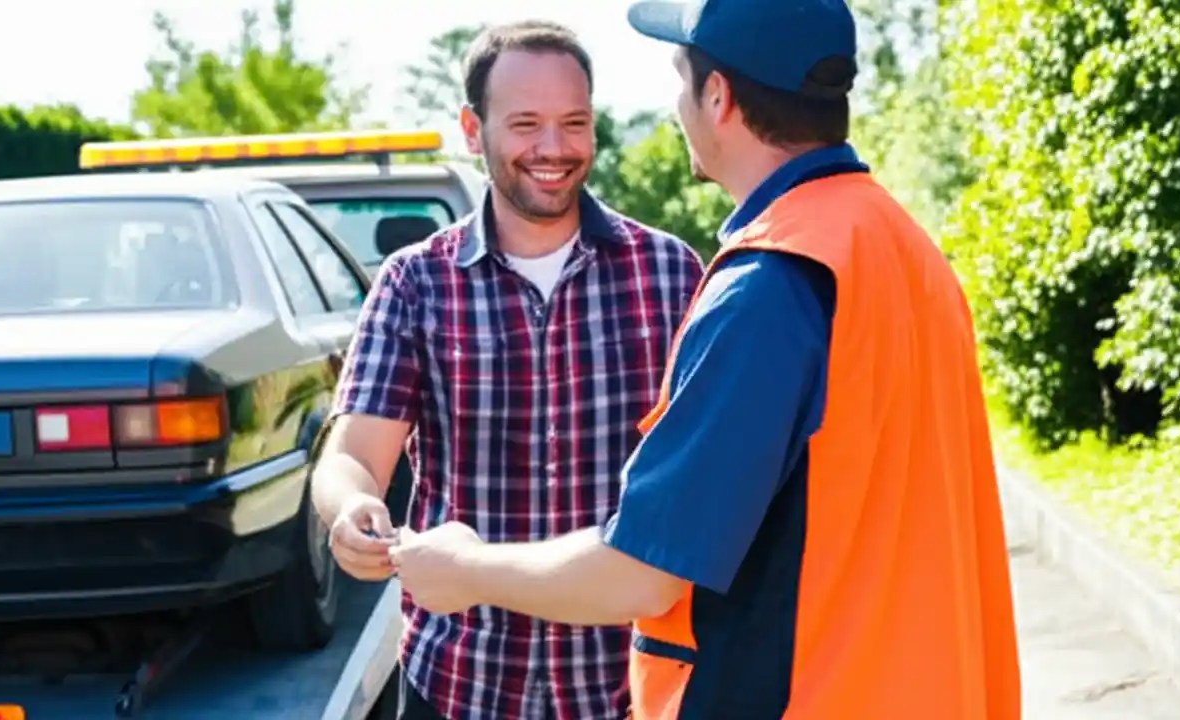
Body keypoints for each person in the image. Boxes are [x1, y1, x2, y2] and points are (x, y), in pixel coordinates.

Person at [387, 1, 1023, 718]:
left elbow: (642, 574)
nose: (674, 103)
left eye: (679, 78)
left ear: (717, 96)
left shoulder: (770, 285)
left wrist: (464, 570)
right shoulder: (901, 247)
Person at [312, 19, 704, 720]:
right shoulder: (415, 282)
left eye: (573, 123)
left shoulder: (670, 274)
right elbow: (351, 457)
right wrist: (349, 510)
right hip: (462, 679)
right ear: (473, 128)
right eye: (525, 124)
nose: (552, 149)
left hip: (628, 686)